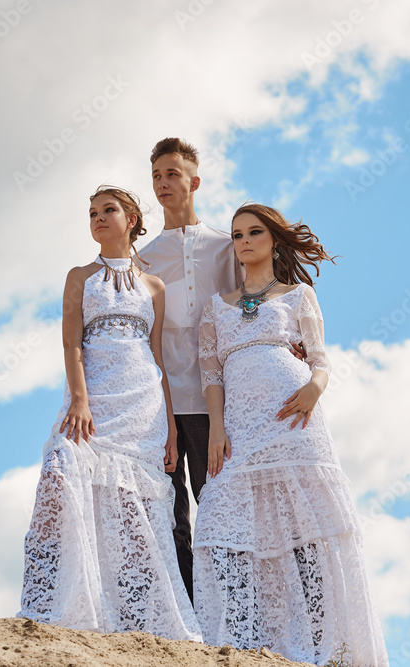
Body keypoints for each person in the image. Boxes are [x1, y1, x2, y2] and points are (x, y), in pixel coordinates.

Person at [193, 203, 388, 665]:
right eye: (237, 234)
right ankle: (245, 643)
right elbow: (211, 375)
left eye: (254, 232)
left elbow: (320, 361)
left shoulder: (299, 295)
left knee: (307, 532)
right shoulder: (215, 308)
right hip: (239, 427)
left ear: (274, 240)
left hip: (294, 421)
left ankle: (325, 648)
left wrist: (313, 390)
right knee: (220, 524)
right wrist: (216, 429)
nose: (244, 241)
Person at [17, 186, 201, 642]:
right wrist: (79, 398)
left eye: (109, 210)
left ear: (132, 217)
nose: (98, 218)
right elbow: (71, 342)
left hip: (144, 405)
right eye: (93, 213)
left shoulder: (154, 286)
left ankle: (134, 619)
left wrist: (173, 431)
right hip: (93, 399)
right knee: (63, 473)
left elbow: (157, 358)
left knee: (134, 508)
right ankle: (63, 604)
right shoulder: (79, 276)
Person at [138, 138, 305, 601]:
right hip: (166, 405)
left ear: (194, 181)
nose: (163, 183)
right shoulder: (145, 257)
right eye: (156, 176)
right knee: (170, 513)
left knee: (223, 507)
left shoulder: (225, 246)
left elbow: (253, 299)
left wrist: (284, 339)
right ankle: (189, 619)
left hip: (225, 406)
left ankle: (234, 609)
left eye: (172, 174)